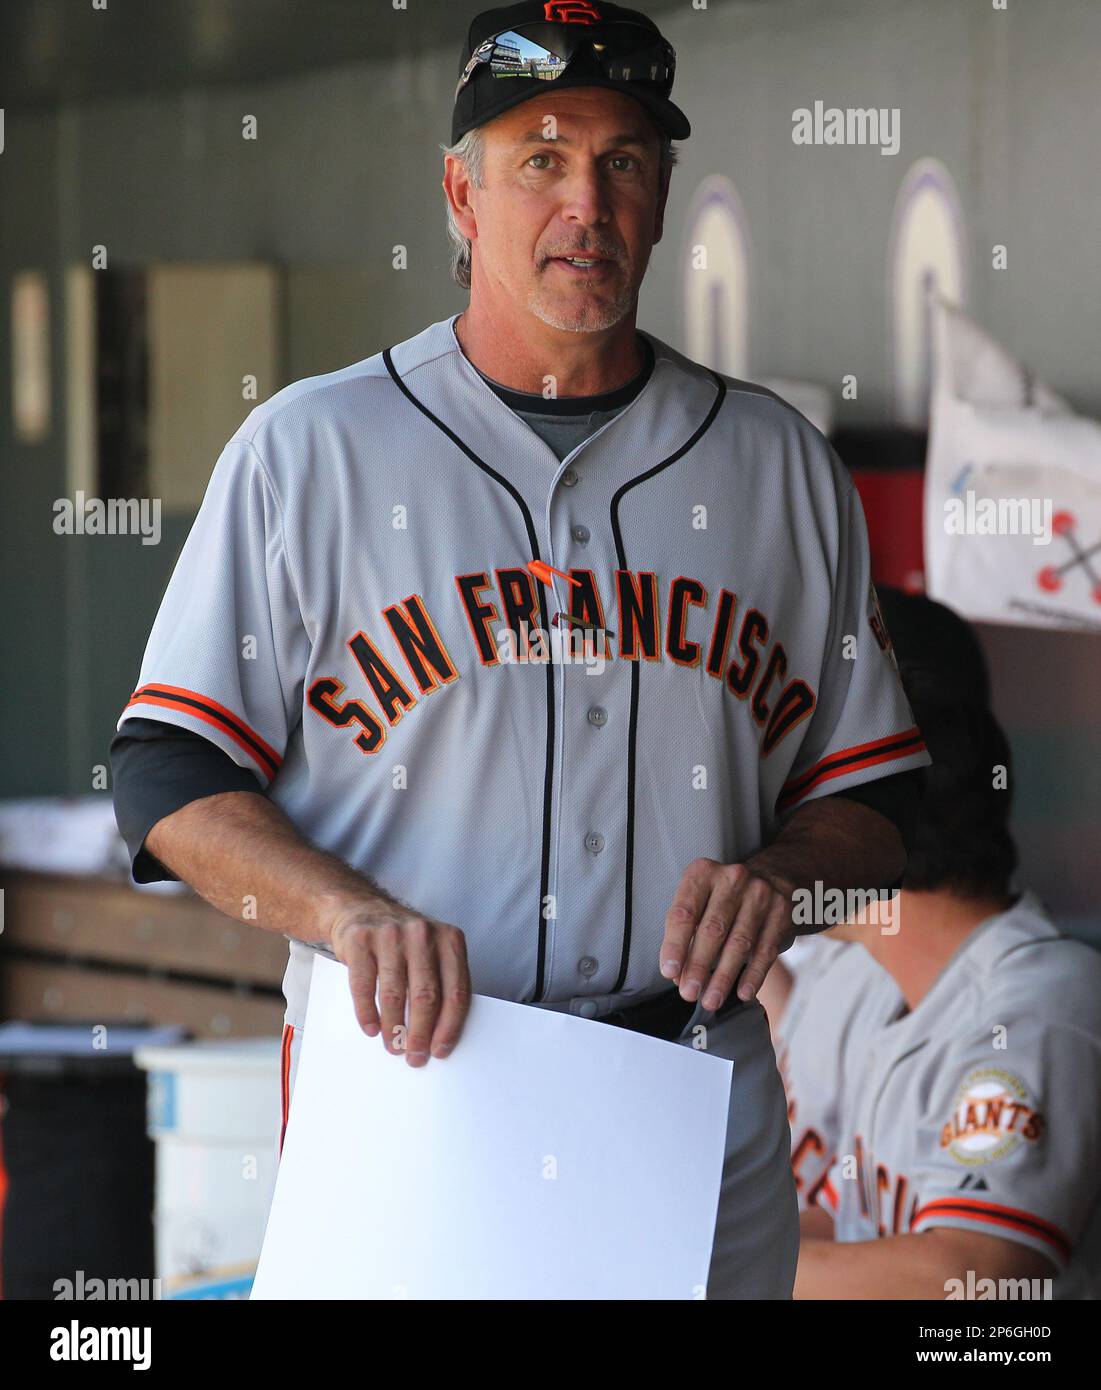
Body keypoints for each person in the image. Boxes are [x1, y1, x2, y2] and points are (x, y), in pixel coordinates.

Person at [110, 2, 929, 1299]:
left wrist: (784, 874)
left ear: (662, 197)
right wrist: (344, 911)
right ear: (459, 192)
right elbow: (164, 778)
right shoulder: (310, 449)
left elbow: (881, 800)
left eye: (623, 162)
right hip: (413, 1091)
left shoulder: (776, 465)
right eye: (539, 159)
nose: (584, 206)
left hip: (693, 1097)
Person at [770, 591, 1101, 1299]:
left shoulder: (1040, 1007)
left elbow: (969, 1278)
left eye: (806, 822)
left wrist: (715, 1272)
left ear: (878, 835)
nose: (781, 847)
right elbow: (847, 1232)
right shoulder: (870, 983)